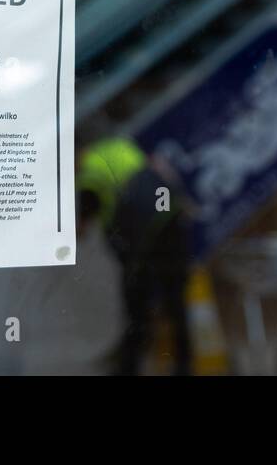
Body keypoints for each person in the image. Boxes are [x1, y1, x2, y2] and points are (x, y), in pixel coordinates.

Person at [77, 134, 191, 375]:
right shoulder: (118, 145)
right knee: (175, 298)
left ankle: (129, 366)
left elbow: (86, 215)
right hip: (168, 216)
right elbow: (157, 169)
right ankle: (184, 363)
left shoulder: (90, 168)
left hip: (139, 231)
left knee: (137, 303)